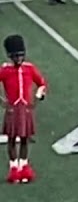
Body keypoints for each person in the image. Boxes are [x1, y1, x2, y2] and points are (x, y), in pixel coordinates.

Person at [0, 35, 47, 184]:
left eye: (20, 55)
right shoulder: (4, 70)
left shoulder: (29, 68)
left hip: (26, 108)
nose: (18, 59)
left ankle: (24, 165)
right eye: (15, 56)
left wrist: (38, 95)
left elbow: (41, 83)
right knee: (12, 139)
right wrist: (2, 101)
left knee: (25, 138)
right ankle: (14, 168)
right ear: (9, 56)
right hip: (13, 109)